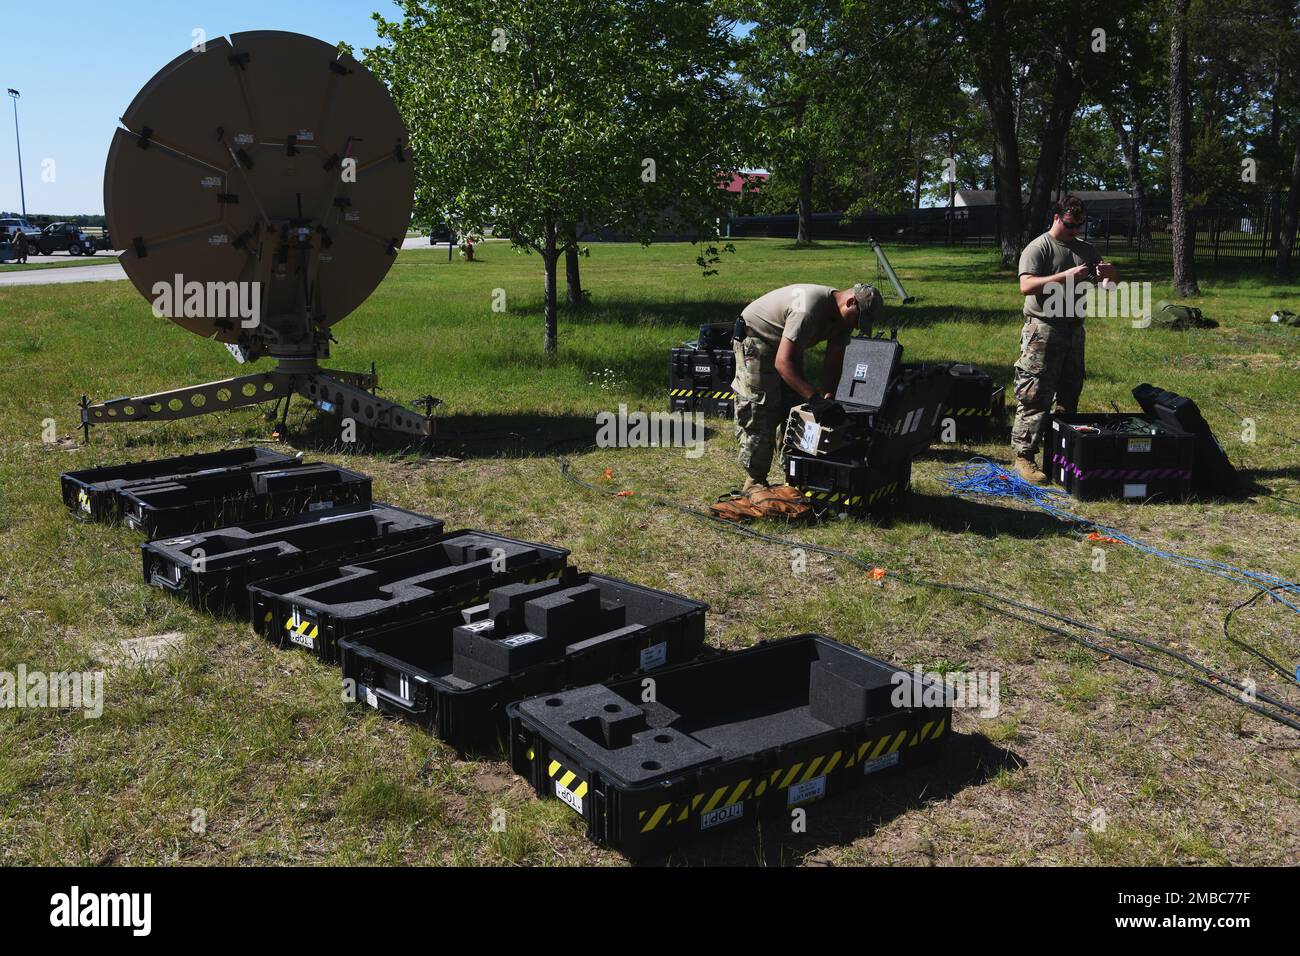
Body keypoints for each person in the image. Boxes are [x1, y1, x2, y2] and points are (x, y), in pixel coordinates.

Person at [732, 281, 881, 493]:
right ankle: (755, 480)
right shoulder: (808, 309)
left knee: (796, 408)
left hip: (786, 345)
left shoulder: (843, 319)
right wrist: (814, 399)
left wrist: (828, 396)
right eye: (858, 319)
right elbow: (782, 363)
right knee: (760, 410)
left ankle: (794, 474)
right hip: (757, 338)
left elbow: (834, 359)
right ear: (850, 302)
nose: (857, 325)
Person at [1011, 196, 1119, 484]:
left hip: (1073, 330)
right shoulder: (1039, 247)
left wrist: (1111, 276)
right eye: (1071, 224)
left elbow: (1108, 286)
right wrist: (1065, 276)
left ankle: (1059, 451)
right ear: (1057, 218)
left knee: (1070, 394)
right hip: (1043, 329)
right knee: (1035, 393)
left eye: (1080, 225)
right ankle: (1024, 456)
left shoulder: (1085, 250)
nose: (1075, 230)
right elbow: (1026, 286)